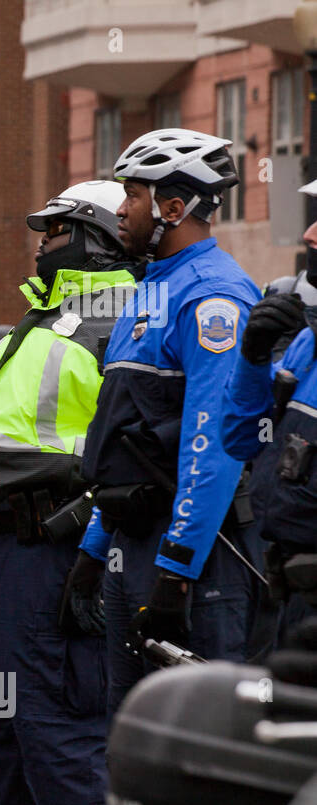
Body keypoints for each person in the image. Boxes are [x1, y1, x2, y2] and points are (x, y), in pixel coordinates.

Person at [0, 180, 137, 805]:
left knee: (57, 738)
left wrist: (88, 534)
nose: (41, 247)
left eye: (55, 233)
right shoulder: (37, 325)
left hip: (49, 554)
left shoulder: (120, 324)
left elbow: (139, 451)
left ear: (97, 238)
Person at [69, 128, 261, 715]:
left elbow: (215, 446)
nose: (121, 209)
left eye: (131, 195)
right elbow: (127, 442)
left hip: (197, 556)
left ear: (172, 208)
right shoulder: (149, 290)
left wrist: (177, 573)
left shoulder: (212, 297)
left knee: (200, 749)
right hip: (133, 545)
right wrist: (93, 549)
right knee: (130, 743)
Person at [221, 175, 317, 651]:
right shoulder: (306, 344)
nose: (309, 234)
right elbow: (243, 440)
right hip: (286, 593)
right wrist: (254, 358)